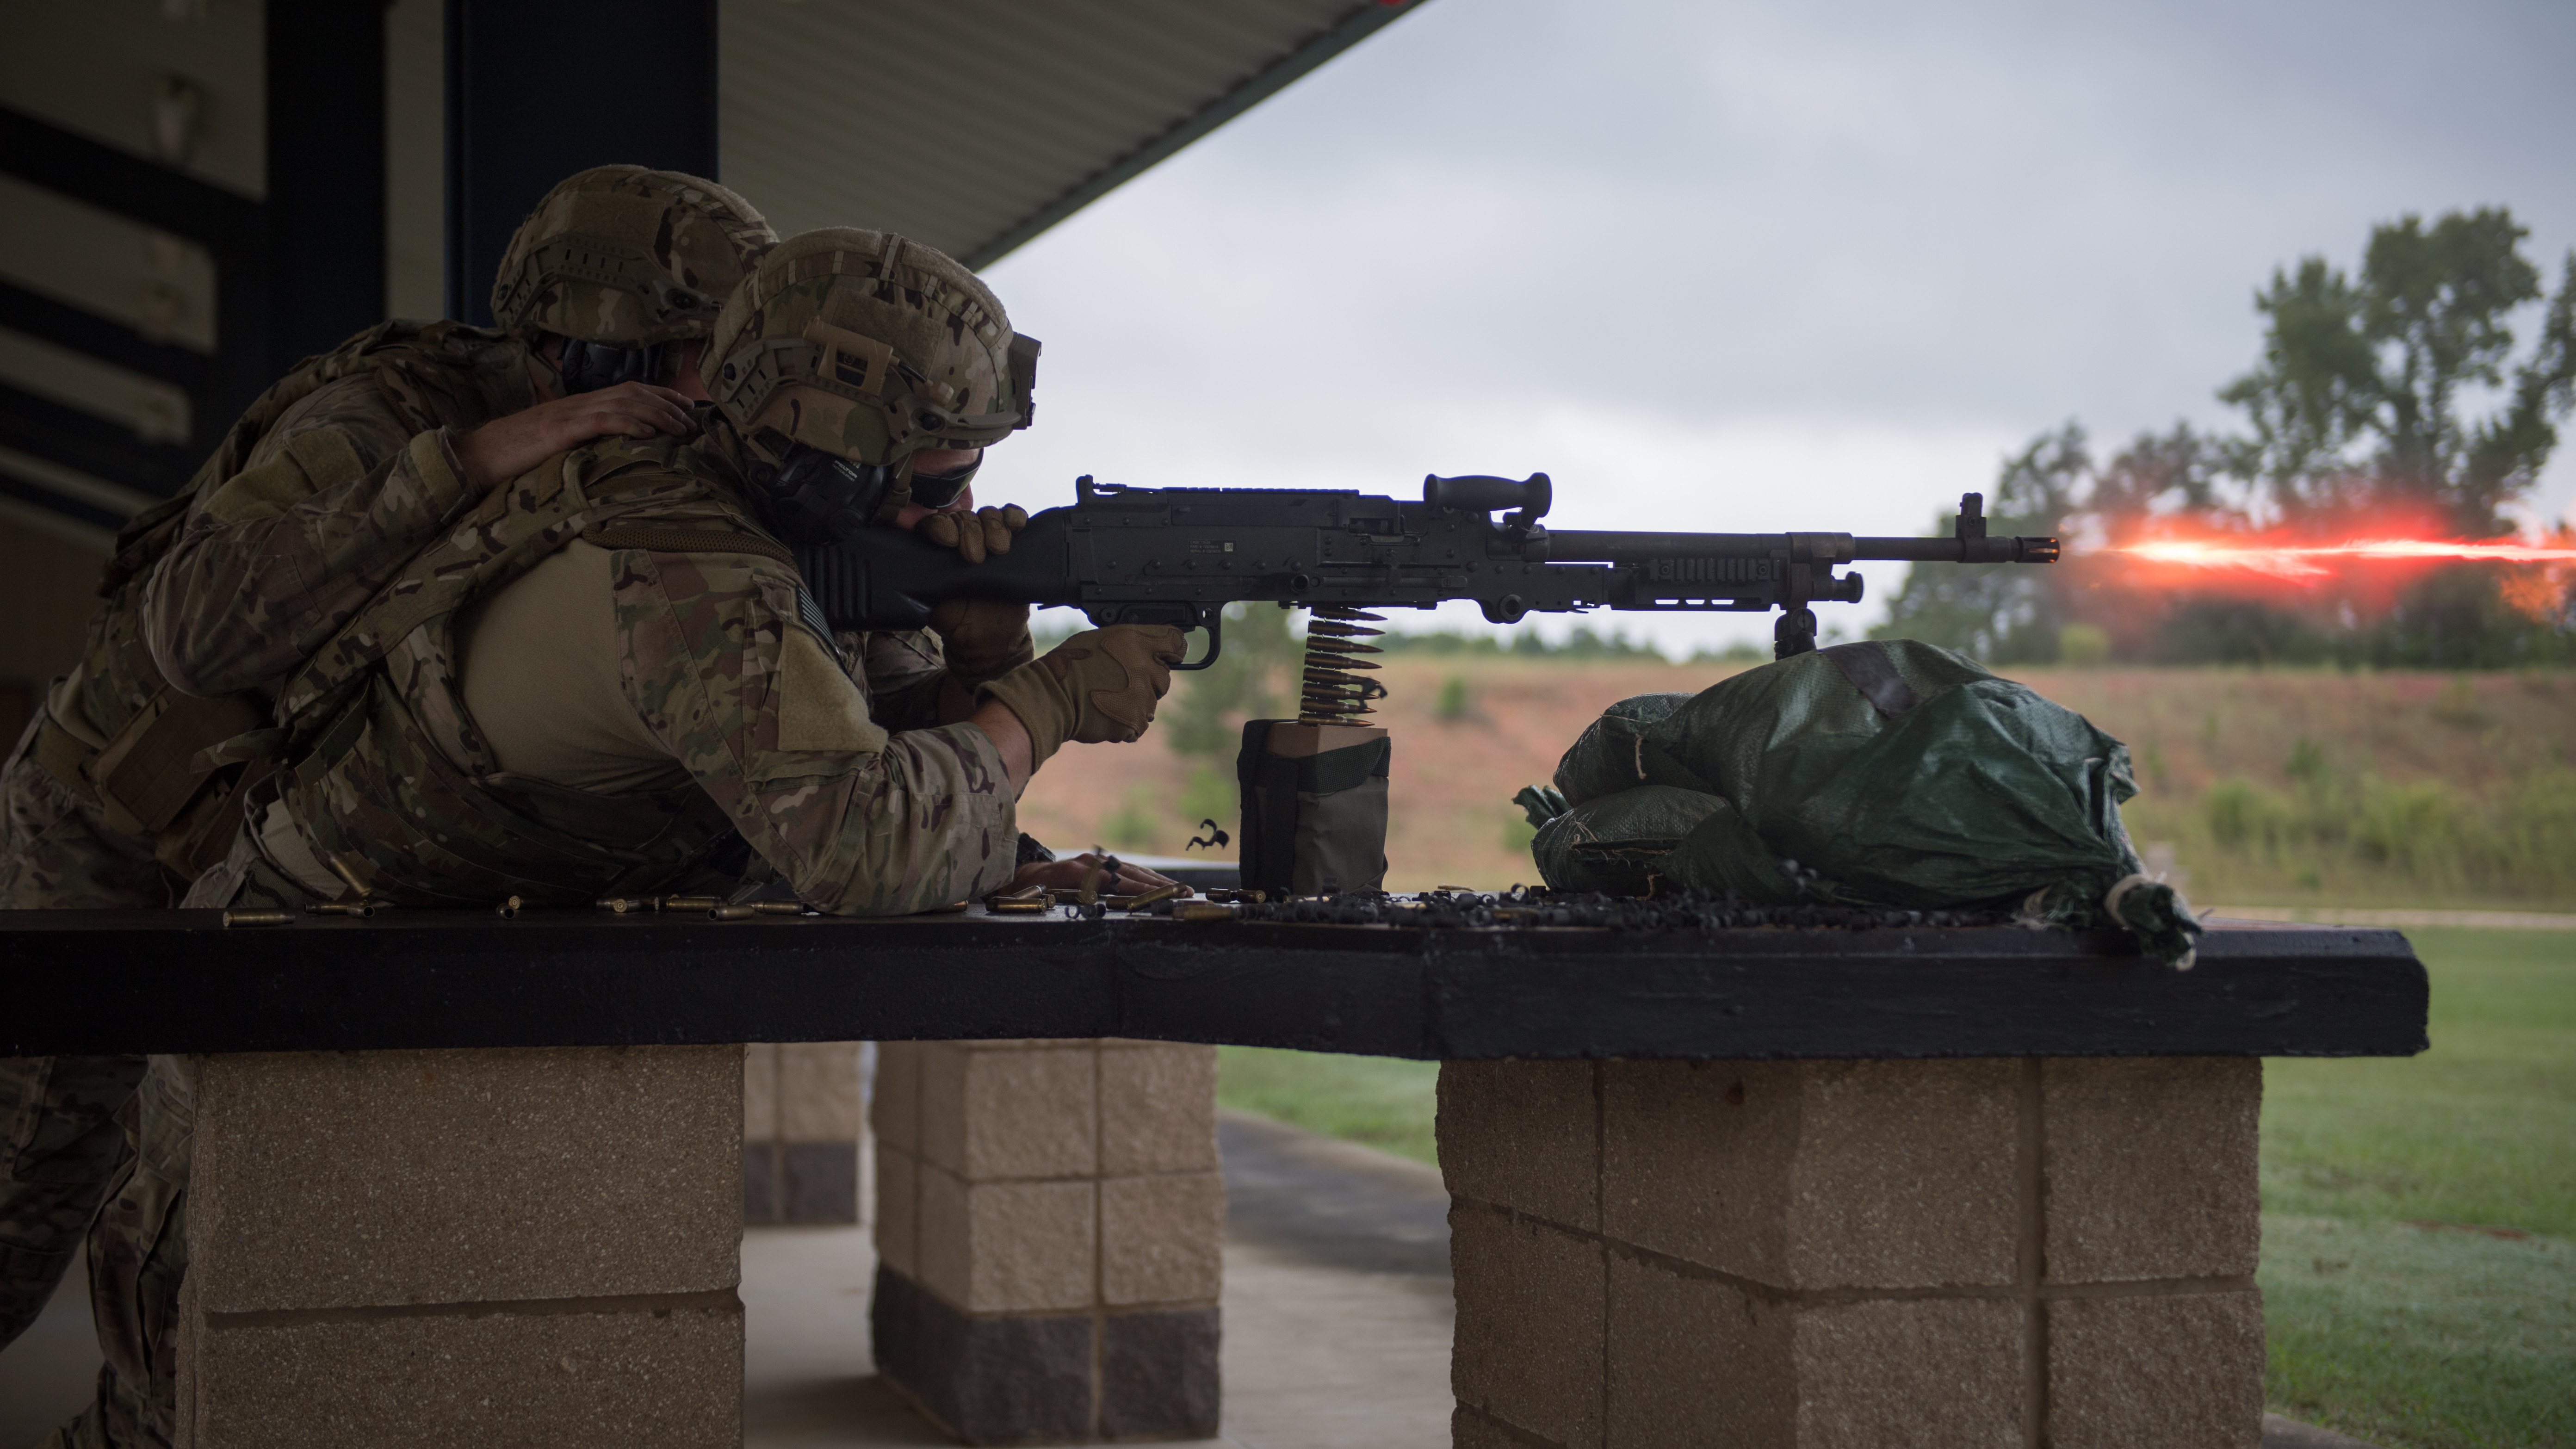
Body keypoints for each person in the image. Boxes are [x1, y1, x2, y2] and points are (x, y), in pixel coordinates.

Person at [7, 164, 775, 1448]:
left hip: (250, 840)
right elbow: (194, 633)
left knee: (195, 1231)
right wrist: (472, 462)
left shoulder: (660, 455)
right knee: (30, 1181)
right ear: (589, 347)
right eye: (695, 357)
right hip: (117, 816)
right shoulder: (395, 411)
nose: (715, 393)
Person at [186, 226, 1183, 916]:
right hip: (302, 975)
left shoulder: (743, 515)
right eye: (944, 476)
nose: (963, 508)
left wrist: (980, 671)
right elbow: (866, 849)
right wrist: (1048, 701)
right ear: (833, 464)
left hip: (448, 945)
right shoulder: (684, 565)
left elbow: (858, 755)